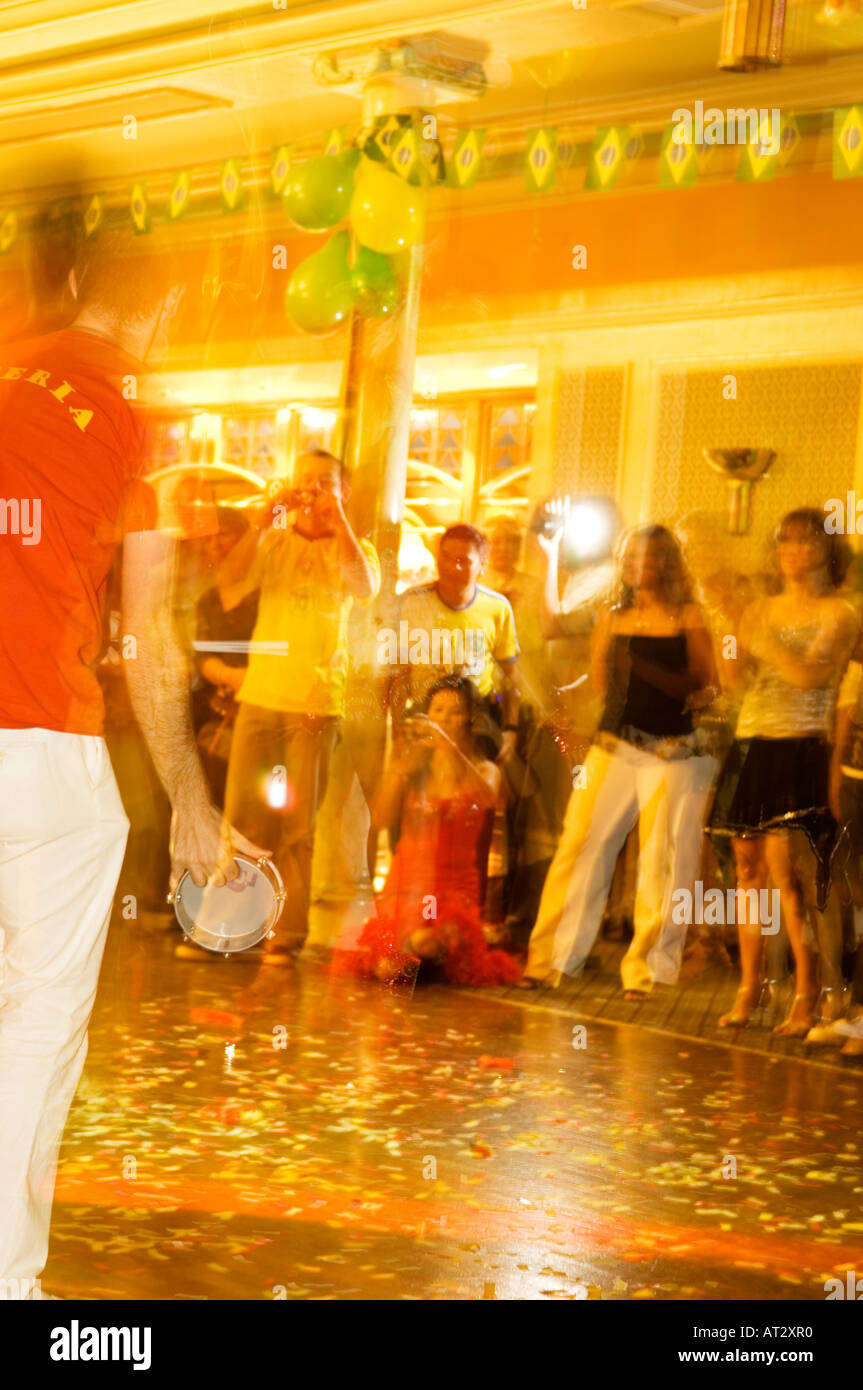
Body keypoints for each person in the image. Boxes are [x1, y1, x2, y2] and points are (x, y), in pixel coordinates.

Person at [0, 223, 258, 1295]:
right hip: (41, 752)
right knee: (40, 1015)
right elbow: (150, 643)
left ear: (63, 289)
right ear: (157, 315)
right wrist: (192, 811)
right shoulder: (123, 426)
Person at [519, 524, 718, 998]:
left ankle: (649, 968)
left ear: (666, 563)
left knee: (664, 859)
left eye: (646, 557)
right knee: (581, 843)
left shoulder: (688, 614)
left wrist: (665, 694)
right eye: (630, 557)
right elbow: (601, 681)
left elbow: (706, 683)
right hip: (616, 742)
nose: (635, 566)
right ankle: (553, 959)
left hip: (673, 749)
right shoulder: (611, 615)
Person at [217, 450, 378, 964]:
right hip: (260, 696)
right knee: (243, 818)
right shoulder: (277, 541)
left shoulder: (357, 547)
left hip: (314, 706)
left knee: (297, 827)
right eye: (304, 480)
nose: (311, 489)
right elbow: (228, 586)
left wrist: (340, 524)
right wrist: (263, 520)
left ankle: (285, 935)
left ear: (342, 491)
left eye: (324, 482)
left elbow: (366, 589)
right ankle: (230, 926)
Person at [708, 509, 858, 1035]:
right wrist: (730, 629)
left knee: (788, 874)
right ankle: (750, 988)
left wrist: (758, 634)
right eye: (786, 541)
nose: (794, 551)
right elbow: (732, 682)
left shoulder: (839, 612)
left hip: (802, 747)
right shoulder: (758, 609)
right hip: (753, 742)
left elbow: (806, 677)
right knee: (747, 873)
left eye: (807, 541)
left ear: (827, 550)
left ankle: (806, 992)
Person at [332, 677, 521, 986]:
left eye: (454, 712)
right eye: (437, 710)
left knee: (428, 941)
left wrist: (449, 750)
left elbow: (487, 796)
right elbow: (380, 818)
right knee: (386, 954)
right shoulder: (414, 768)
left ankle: (420, 957)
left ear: (470, 720)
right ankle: (410, 957)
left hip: (453, 893)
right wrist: (398, 768)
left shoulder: (485, 769)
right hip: (407, 889)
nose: (444, 719)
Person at [389, 523, 522, 763]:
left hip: (476, 723)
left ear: (482, 565)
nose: (452, 566)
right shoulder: (411, 603)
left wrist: (511, 730)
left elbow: (511, 676)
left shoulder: (497, 608)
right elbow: (399, 673)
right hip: (424, 718)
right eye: (446, 557)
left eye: (463, 560)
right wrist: (398, 726)